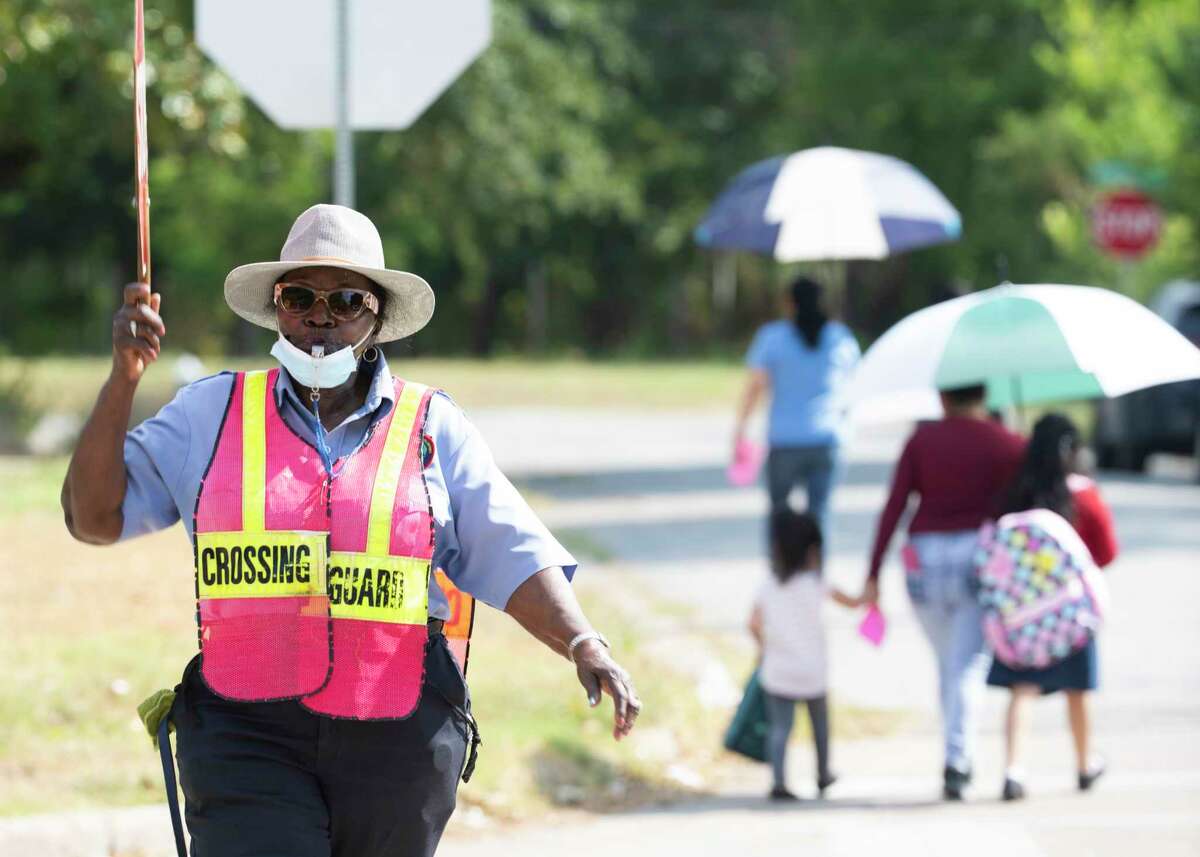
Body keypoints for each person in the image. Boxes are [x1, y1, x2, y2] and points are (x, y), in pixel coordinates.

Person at [61, 204, 641, 857]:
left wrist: (582, 642)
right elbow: (92, 517)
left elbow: (507, 549)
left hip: (397, 737)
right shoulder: (211, 412)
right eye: (299, 296)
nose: (319, 315)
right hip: (247, 731)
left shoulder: (431, 426)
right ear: (277, 309)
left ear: (378, 319)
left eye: (345, 299)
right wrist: (124, 378)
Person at [860, 384, 1025, 800]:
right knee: (966, 665)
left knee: (948, 663)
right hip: (977, 557)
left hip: (923, 560)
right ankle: (957, 761)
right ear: (985, 395)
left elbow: (895, 504)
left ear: (943, 398)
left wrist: (874, 570)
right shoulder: (1004, 442)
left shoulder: (921, 440)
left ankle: (956, 751)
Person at [988, 413, 1118, 802]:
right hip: (1071, 613)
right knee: (1077, 691)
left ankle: (1013, 769)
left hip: (1024, 616)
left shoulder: (1016, 492)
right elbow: (1107, 552)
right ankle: (1083, 764)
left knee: (1023, 689)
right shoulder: (1083, 495)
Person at [748, 510, 861, 801]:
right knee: (820, 726)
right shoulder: (817, 583)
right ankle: (823, 773)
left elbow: (753, 623)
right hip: (812, 671)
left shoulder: (769, 586)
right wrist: (868, 597)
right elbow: (851, 602)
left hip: (779, 669)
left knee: (780, 728)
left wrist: (763, 647)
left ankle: (779, 780)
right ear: (813, 551)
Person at [733, 277, 861, 533]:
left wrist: (741, 430)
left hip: (785, 441)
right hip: (827, 438)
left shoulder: (772, 338)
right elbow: (855, 386)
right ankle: (817, 571)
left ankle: (780, 570)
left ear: (789, 303)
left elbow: (755, 388)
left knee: (778, 515)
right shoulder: (840, 338)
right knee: (820, 515)